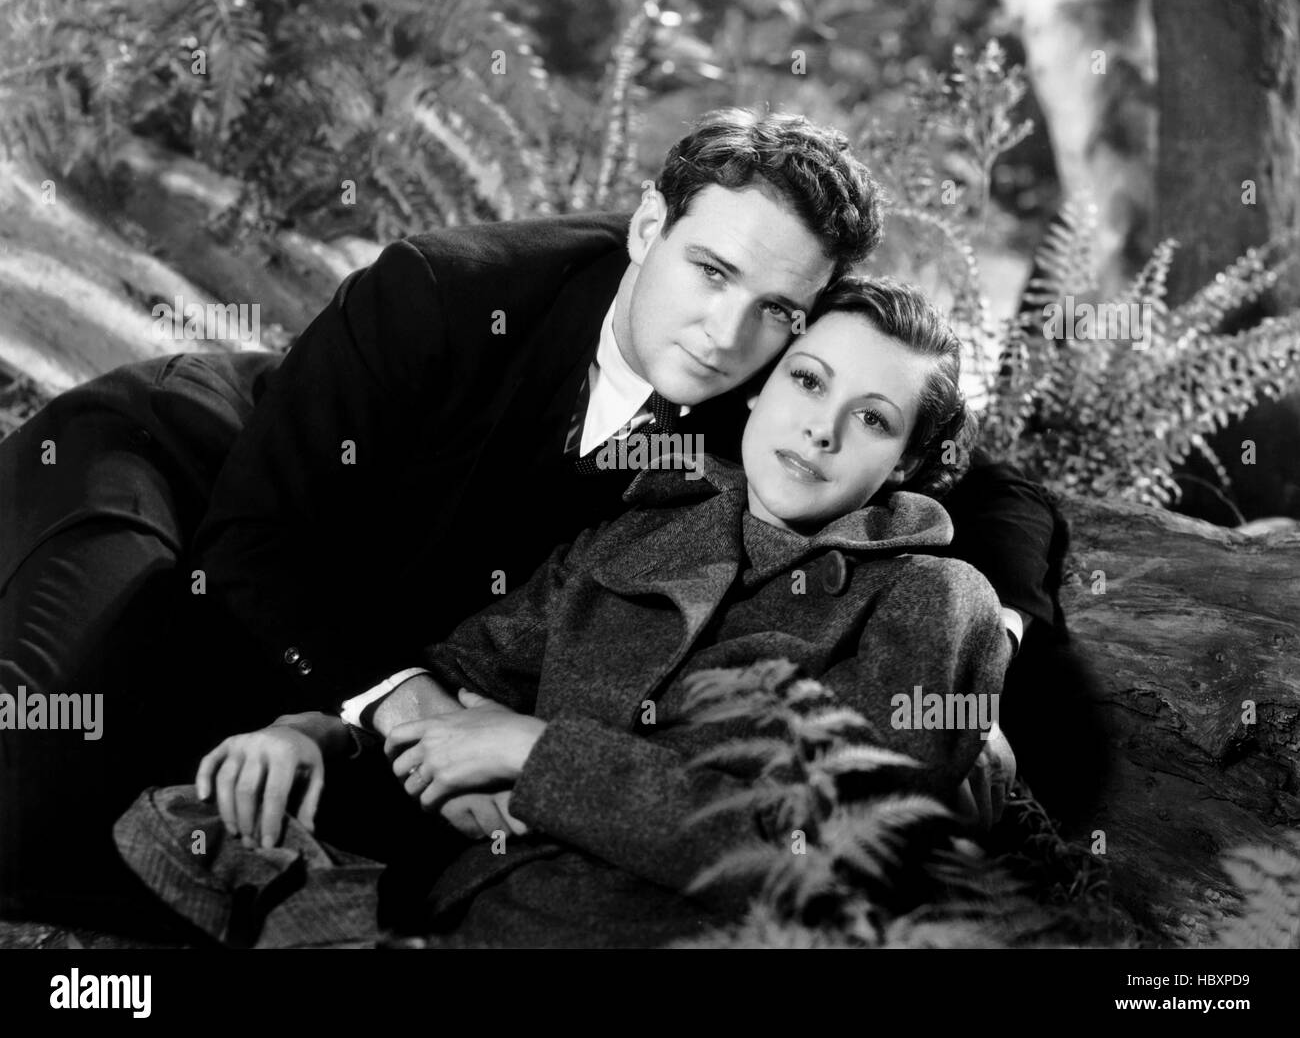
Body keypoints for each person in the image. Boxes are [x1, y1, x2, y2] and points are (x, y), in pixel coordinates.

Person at [0, 108, 1053, 926]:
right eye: (710, 269)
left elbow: (990, 483)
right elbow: (254, 542)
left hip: (376, 624)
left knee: (308, 822)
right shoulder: (446, 292)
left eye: (777, 308)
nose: (728, 332)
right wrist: (407, 710)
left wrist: (995, 635)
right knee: (26, 794)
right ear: (651, 224)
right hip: (190, 479)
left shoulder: (774, 372)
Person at [122, 277, 1011, 948]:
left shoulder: (932, 597)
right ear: (763, 387)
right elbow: (462, 680)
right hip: (467, 914)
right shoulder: (645, 530)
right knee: (184, 822)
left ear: (903, 464)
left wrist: (533, 754)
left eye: (873, 420)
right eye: (809, 383)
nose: (822, 430)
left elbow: (832, 851)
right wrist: (314, 736)